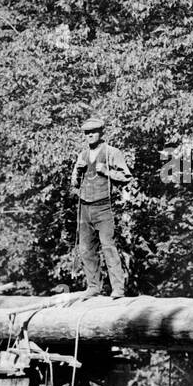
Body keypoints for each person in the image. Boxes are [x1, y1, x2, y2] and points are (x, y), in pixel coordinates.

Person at [70, 117, 132, 297]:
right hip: (84, 207)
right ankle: (93, 287)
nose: (90, 136)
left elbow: (126, 177)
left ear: (101, 133)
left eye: (93, 132)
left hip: (103, 206)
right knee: (85, 249)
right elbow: (74, 183)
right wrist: (78, 173)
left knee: (108, 247)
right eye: (87, 133)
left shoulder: (112, 152)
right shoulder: (82, 155)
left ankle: (118, 288)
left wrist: (107, 172)